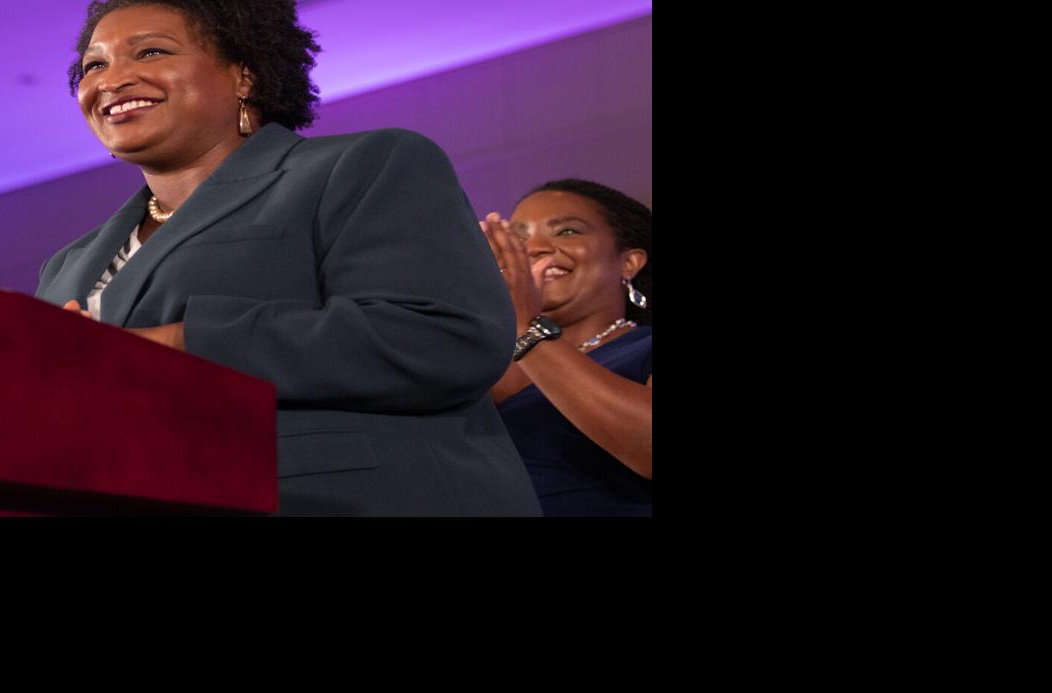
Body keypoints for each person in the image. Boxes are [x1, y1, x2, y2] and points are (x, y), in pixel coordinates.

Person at [37, 0, 540, 515]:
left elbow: (442, 337)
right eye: (94, 65)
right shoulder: (67, 267)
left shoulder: (362, 166)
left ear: (244, 76)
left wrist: (175, 343)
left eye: (150, 51)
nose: (113, 79)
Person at [479, 179, 652, 516]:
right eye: (519, 237)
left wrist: (526, 332)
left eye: (567, 232)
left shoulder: (643, 346)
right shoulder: (484, 367)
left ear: (629, 262)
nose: (534, 247)